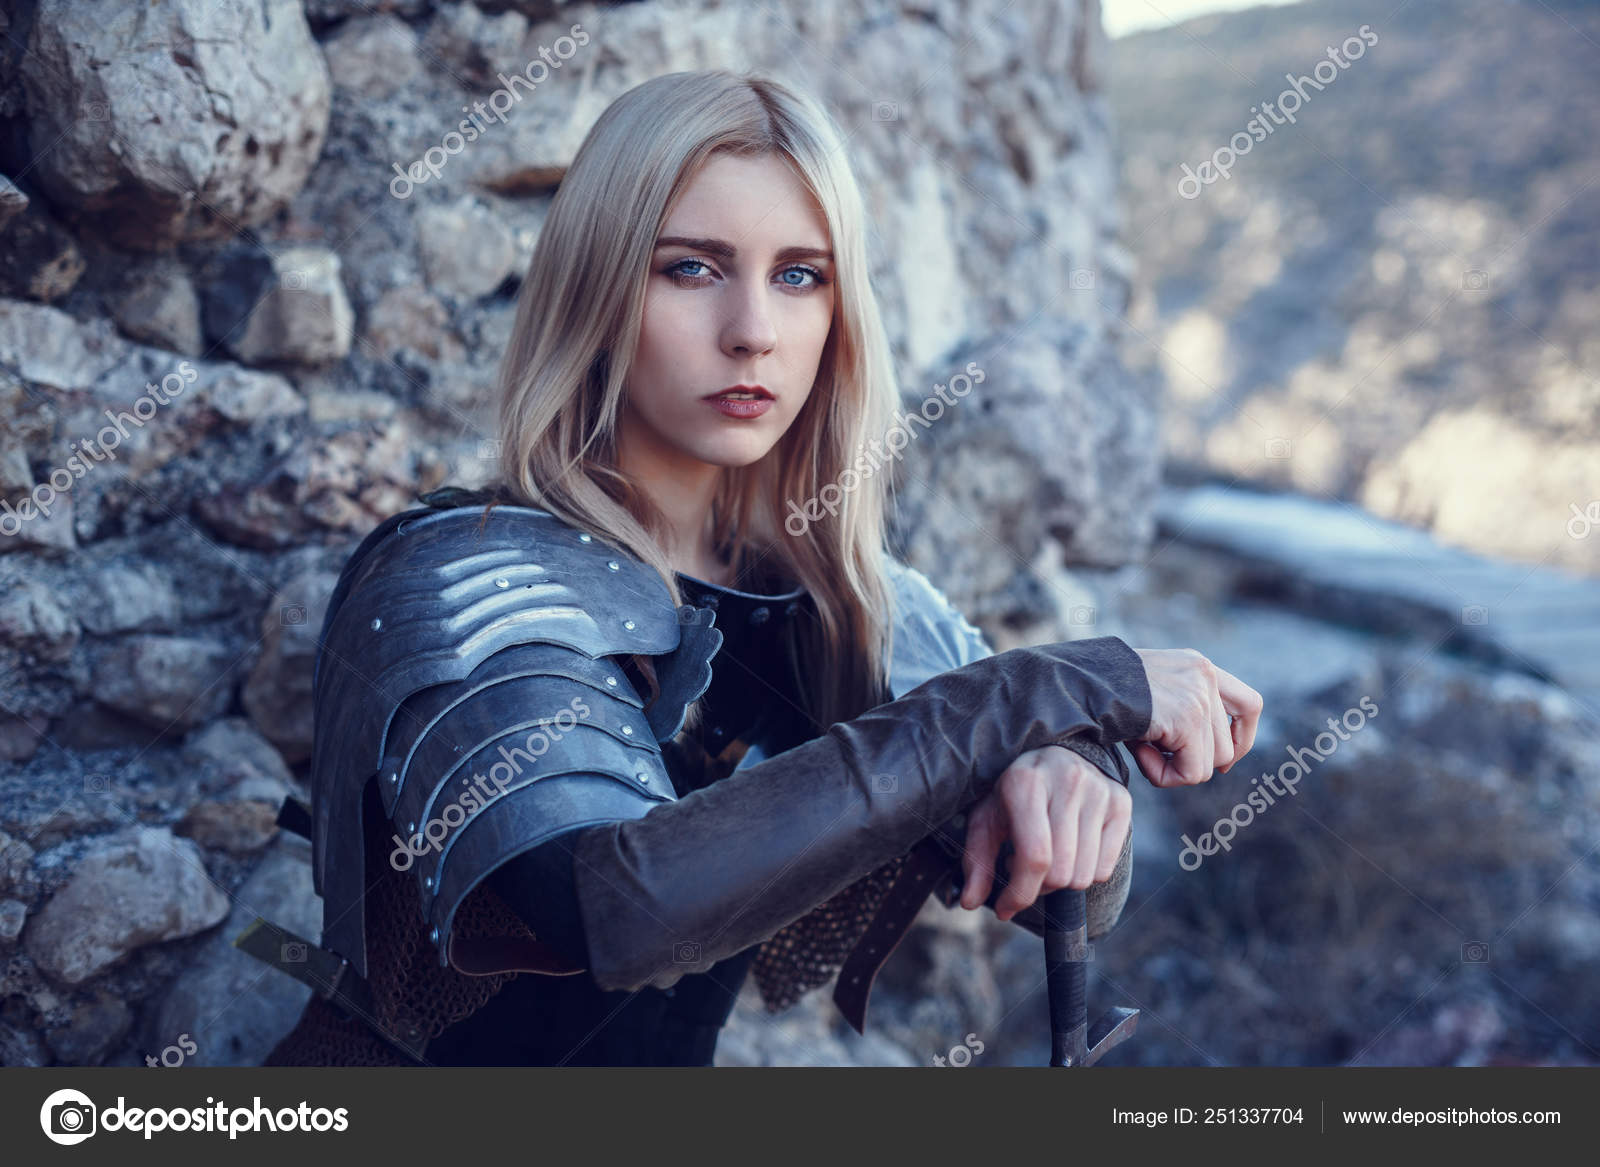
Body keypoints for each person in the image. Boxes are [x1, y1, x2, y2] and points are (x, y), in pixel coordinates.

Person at [259, 69, 1261, 1067]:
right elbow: (616, 910)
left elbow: (1077, 899)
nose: (752, 331)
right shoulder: (460, 574)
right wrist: (1056, 689)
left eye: (799, 276)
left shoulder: (844, 595)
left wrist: (1063, 767)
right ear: (597, 284)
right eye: (690, 268)